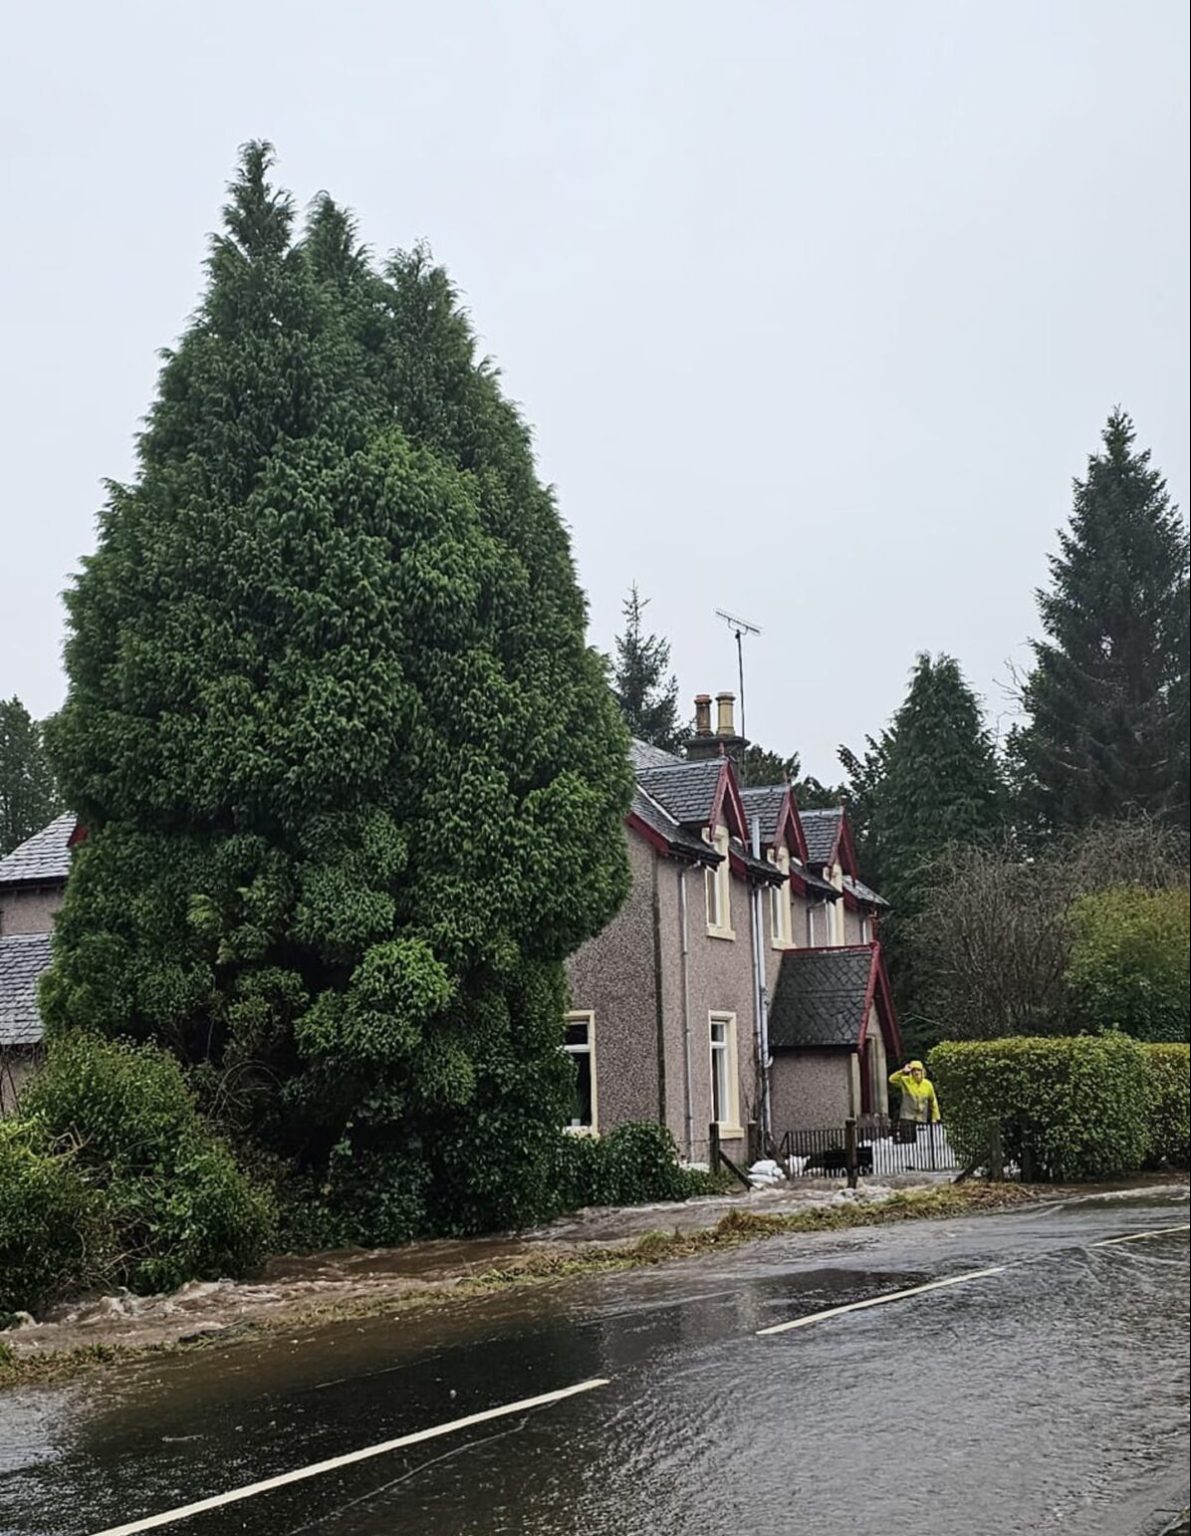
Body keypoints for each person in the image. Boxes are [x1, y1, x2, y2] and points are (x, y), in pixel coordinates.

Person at [889, 1059, 940, 1134]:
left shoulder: (928, 1084)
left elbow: (933, 1102)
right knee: (908, 1143)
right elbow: (892, 1080)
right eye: (914, 1070)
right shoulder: (905, 1081)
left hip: (921, 1119)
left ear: (922, 1071)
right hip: (907, 1118)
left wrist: (935, 1117)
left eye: (918, 1070)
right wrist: (903, 1071)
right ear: (911, 1072)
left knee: (921, 1142)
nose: (916, 1072)